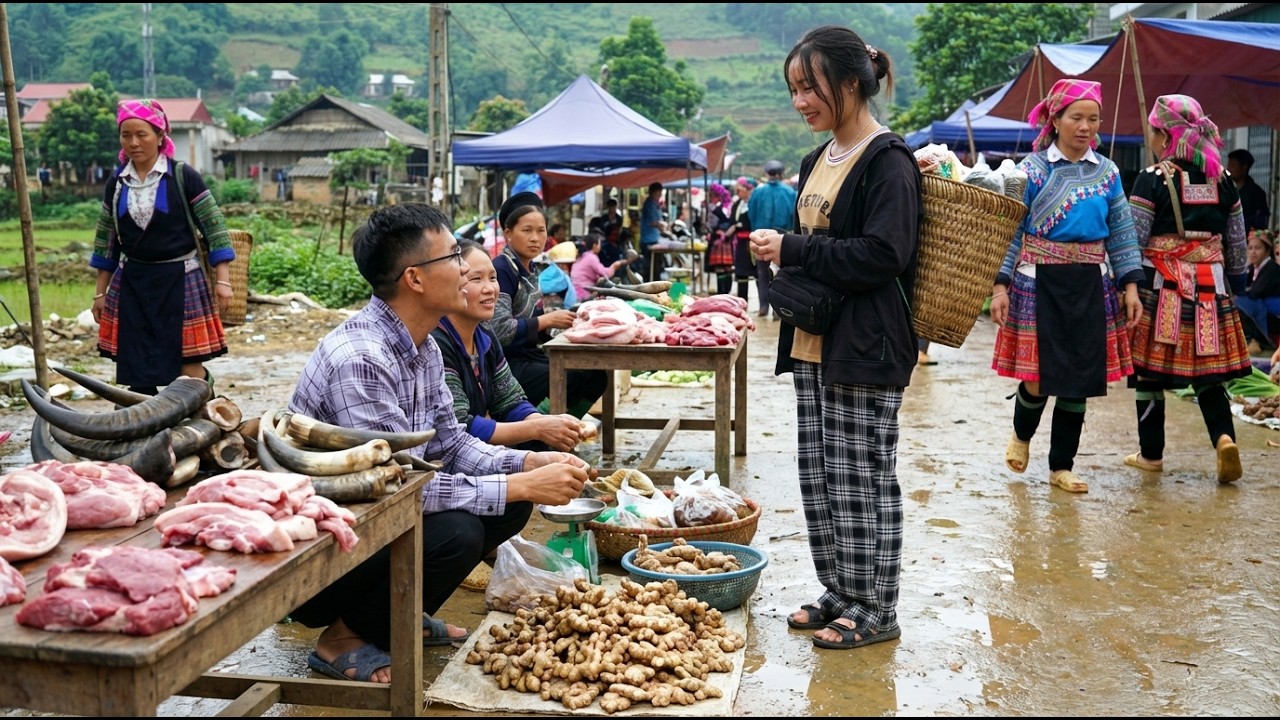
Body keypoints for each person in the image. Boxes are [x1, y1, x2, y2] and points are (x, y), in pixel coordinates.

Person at [287, 203, 593, 684]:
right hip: (326, 550)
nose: (466, 270)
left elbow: (453, 445)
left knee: (507, 498)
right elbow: (395, 489)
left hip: (377, 523)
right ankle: (342, 637)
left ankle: (398, 615)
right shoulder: (362, 358)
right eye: (453, 257)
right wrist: (523, 484)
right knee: (460, 530)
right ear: (414, 279)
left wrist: (528, 460)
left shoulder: (423, 344)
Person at [750, 25, 920, 652]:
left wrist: (792, 246)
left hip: (866, 344)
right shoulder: (816, 159)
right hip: (815, 342)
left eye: (810, 87)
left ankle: (878, 606)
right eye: (793, 89)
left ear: (851, 82)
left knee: (864, 478)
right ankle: (842, 591)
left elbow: (885, 254)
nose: (801, 102)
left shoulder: (888, 159)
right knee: (823, 477)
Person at [990, 78, 1144, 495]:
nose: (1085, 126)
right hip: (1038, 282)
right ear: (1054, 119)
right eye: (1076, 117)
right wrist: (1000, 285)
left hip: (1092, 283)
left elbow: (1122, 232)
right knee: (1039, 377)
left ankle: (1061, 466)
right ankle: (1022, 435)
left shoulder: (1107, 172)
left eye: (1092, 119)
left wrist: (1130, 285)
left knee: (1080, 378)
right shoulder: (1031, 171)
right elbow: (1011, 230)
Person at [1123, 95, 1253, 482]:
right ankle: (1224, 438)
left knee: (1148, 373)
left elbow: (1134, 238)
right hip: (1212, 286)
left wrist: (1124, 282)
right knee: (1209, 372)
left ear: (1164, 135)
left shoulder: (1152, 178)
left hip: (1161, 287)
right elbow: (1237, 243)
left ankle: (1151, 455)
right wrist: (1239, 282)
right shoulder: (1225, 180)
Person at [90, 98, 234, 395]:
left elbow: (215, 228)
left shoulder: (183, 176)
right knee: (137, 366)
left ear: (160, 136)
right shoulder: (117, 182)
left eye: (141, 134)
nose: (133, 142)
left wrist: (224, 282)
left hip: (180, 279)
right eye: (125, 135)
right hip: (133, 283)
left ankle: (203, 415)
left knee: (188, 366)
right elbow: (107, 240)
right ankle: (143, 430)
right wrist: (100, 293)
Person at [433, 241, 588, 452]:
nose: (490, 289)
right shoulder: (437, 344)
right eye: (476, 279)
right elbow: (461, 427)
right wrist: (537, 427)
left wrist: (541, 423)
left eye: (493, 278)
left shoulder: (485, 336)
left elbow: (509, 399)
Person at [490, 191, 607, 416]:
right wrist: (546, 320)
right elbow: (499, 330)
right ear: (508, 233)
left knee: (596, 374)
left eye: (541, 230)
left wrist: (575, 327)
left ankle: (565, 428)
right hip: (505, 363)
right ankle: (539, 431)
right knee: (571, 378)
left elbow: (539, 328)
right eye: (526, 230)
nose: (535, 238)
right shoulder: (501, 269)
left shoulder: (531, 269)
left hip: (530, 355)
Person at [748, 160, 799, 318]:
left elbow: (751, 213)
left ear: (766, 174)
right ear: (782, 173)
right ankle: (778, 310)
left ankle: (763, 306)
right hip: (783, 238)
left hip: (761, 236)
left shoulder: (757, 192)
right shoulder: (790, 192)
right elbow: (795, 215)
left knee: (762, 273)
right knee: (781, 274)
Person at [1237, 229, 1280, 353]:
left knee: (1243, 301)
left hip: (1274, 315)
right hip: (1265, 311)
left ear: (1267, 251)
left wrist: (1243, 291)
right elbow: (1243, 288)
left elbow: (1255, 292)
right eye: (1250, 248)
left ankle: (1258, 340)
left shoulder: (1272, 268)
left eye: (1257, 248)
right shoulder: (1252, 268)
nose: (1253, 252)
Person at [571, 231, 633, 301]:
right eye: (599, 243)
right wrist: (614, 266)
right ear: (595, 245)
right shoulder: (591, 257)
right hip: (585, 293)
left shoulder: (581, 257)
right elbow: (605, 273)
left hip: (575, 292)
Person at [726, 177, 756, 303]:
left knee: (757, 272)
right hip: (739, 242)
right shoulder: (737, 204)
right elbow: (732, 220)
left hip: (752, 241)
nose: (738, 193)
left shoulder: (754, 203)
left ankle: (763, 304)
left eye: (741, 190)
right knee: (741, 272)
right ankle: (742, 301)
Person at [703, 182, 736, 295]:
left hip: (718, 241)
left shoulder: (716, 208)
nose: (710, 197)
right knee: (726, 268)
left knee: (720, 268)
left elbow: (712, 224)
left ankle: (722, 292)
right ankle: (726, 291)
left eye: (712, 195)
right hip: (727, 240)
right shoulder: (729, 207)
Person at [1227, 149, 1271, 232]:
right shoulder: (1225, 189)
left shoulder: (1257, 193)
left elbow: (1261, 221)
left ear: (1244, 167)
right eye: (1228, 165)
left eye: (1232, 166)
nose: (1228, 169)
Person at [640, 181, 667, 280]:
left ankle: (655, 290)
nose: (658, 196)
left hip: (654, 239)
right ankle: (650, 291)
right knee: (650, 269)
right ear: (652, 193)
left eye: (660, 194)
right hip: (648, 241)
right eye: (657, 194)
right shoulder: (650, 203)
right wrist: (661, 224)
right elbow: (653, 222)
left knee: (656, 268)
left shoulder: (655, 204)